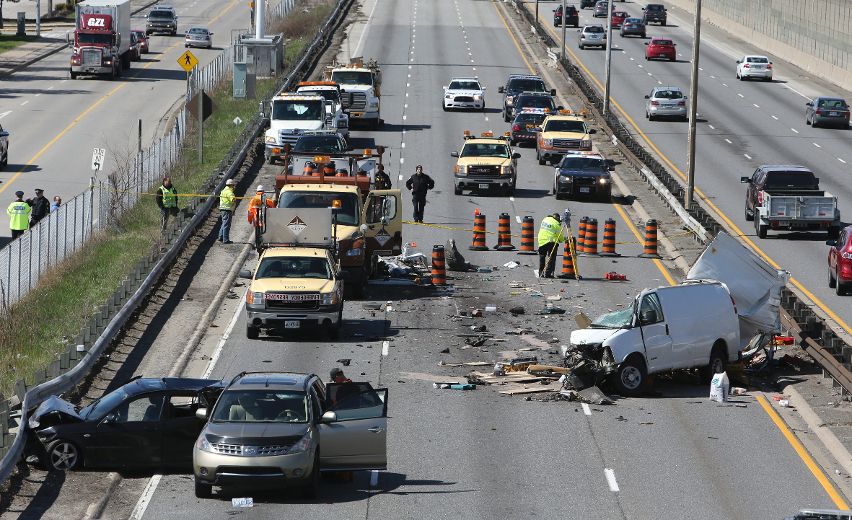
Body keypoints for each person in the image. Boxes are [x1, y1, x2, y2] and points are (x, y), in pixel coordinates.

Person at [537, 212, 565, 278]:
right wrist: (563, 239)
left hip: (541, 240)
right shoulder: (556, 224)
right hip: (551, 242)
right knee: (551, 258)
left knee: (542, 257)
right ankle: (548, 273)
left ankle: (541, 273)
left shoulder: (545, 219)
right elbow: (560, 238)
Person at [218, 179, 236, 244]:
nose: (234, 187)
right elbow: (233, 200)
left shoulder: (223, 191)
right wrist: (234, 204)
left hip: (222, 209)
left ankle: (220, 237)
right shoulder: (229, 192)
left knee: (224, 223)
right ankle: (225, 239)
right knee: (226, 224)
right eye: (233, 185)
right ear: (231, 185)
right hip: (227, 209)